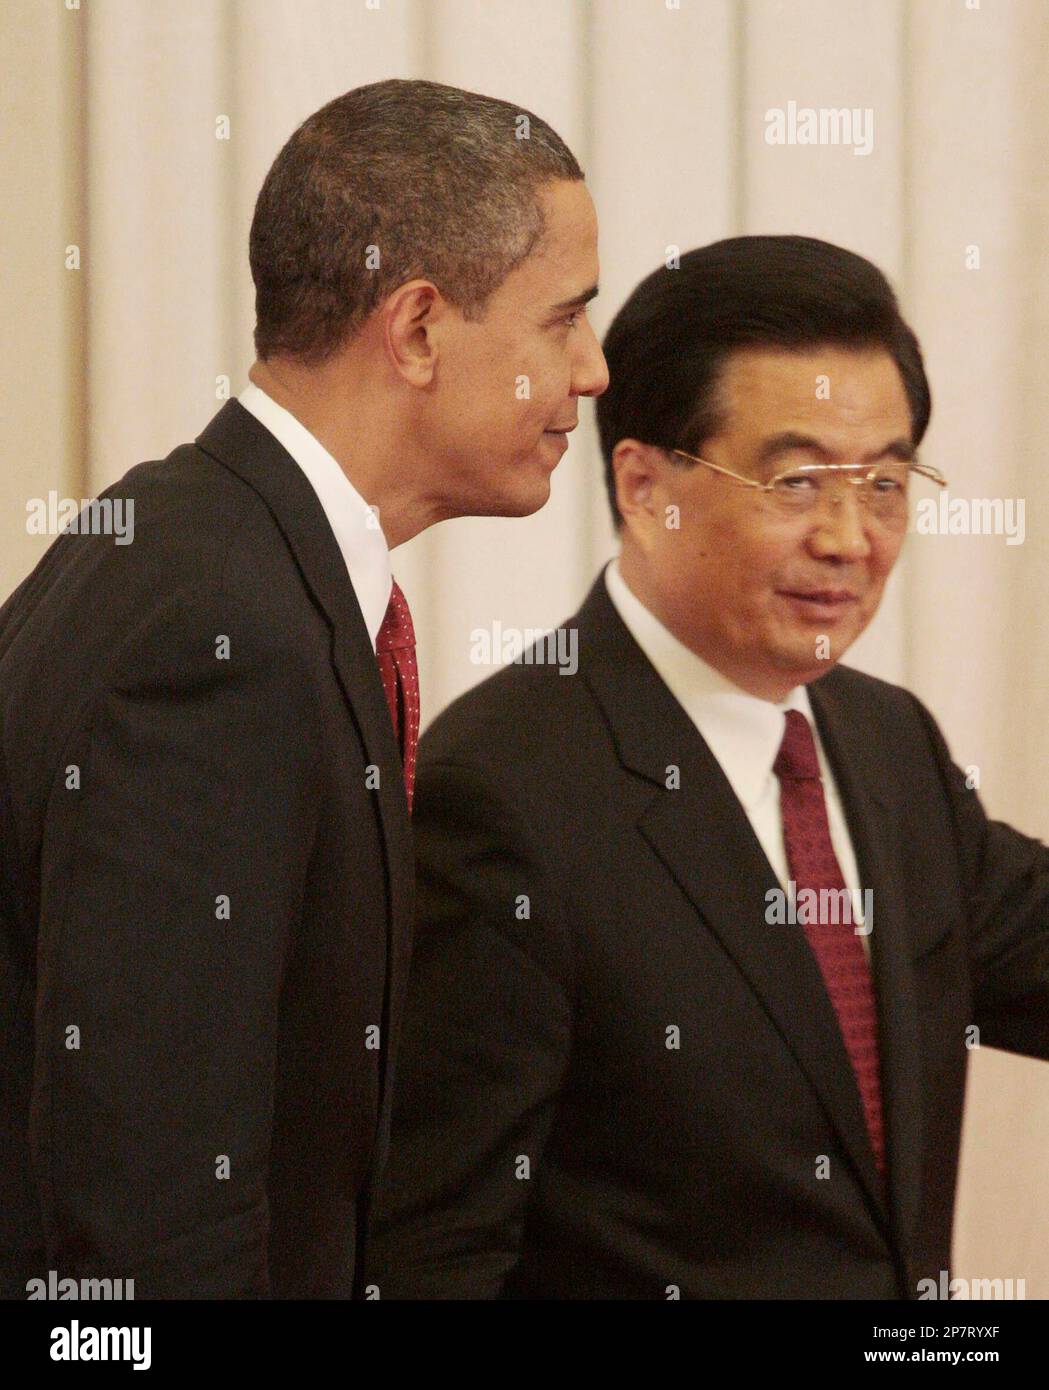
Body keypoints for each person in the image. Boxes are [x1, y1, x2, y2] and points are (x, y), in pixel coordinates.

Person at [0, 77, 606, 1299]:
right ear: (421, 328)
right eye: (564, 320)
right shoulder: (221, 631)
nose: (591, 373)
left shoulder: (182, 540)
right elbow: (151, 1214)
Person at [368, 235, 1049, 1299]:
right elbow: (432, 1256)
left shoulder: (885, 744)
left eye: (882, 483)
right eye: (796, 481)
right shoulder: (504, 793)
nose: (847, 537)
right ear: (645, 487)